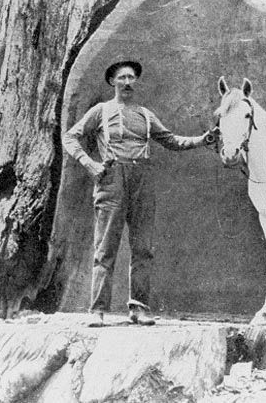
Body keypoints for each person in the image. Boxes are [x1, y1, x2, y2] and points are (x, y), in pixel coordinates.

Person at [63, 60, 214, 327]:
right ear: (113, 82)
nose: (128, 82)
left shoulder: (145, 114)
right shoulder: (101, 111)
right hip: (111, 179)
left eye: (132, 77)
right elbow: (70, 137)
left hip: (142, 179)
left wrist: (202, 140)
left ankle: (139, 308)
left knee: (143, 248)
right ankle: (98, 309)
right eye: (122, 77)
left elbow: (171, 140)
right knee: (105, 247)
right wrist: (90, 164)